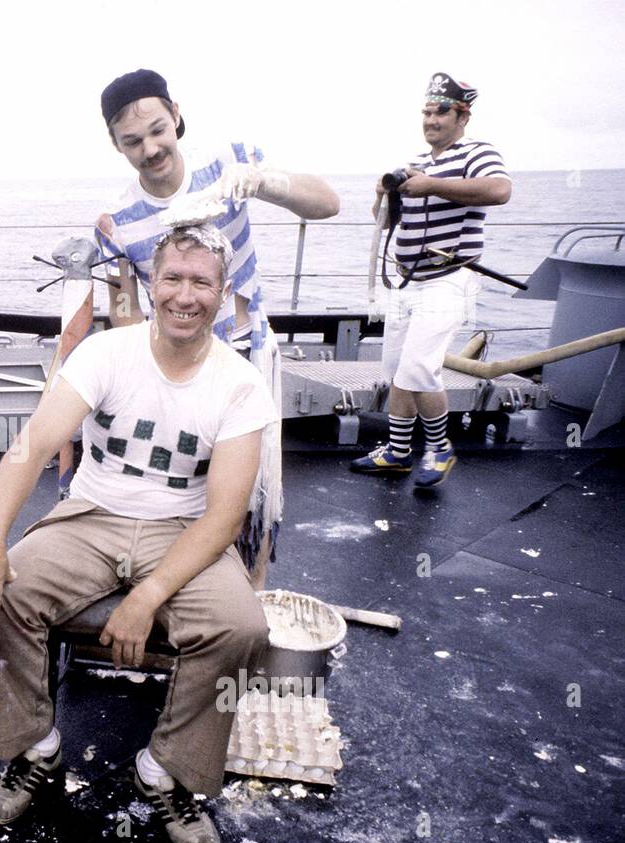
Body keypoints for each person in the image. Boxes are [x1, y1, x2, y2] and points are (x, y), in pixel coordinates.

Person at [0, 224, 274, 843]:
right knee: (3, 591)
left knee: (242, 628)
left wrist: (149, 595)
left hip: (185, 529)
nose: (185, 296)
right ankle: (35, 749)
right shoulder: (105, 354)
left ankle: (167, 773)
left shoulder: (240, 384)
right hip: (95, 512)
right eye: (172, 279)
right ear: (151, 284)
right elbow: (31, 448)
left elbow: (223, 519)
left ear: (224, 291)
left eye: (202, 282)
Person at [93, 68, 340, 585]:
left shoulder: (226, 163)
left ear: (176, 116)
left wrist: (265, 182)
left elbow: (328, 204)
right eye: (132, 141)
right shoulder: (117, 220)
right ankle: (179, 596)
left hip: (246, 357)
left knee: (252, 497)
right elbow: (126, 314)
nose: (151, 149)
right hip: (178, 367)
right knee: (180, 490)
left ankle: (250, 599)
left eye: (158, 129)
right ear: (116, 145)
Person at [351, 71, 511, 487]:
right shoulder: (415, 165)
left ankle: (439, 449)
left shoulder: (478, 152)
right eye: (425, 112)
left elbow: (499, 191)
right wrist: (384, 194)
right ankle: (399, 453)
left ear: (462, 116)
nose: (430, 120)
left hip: (449, 279)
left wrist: (432, 186)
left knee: (420, 367)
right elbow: (384, 220)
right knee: (396, 369)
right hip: (408, 282)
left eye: (440, 111)